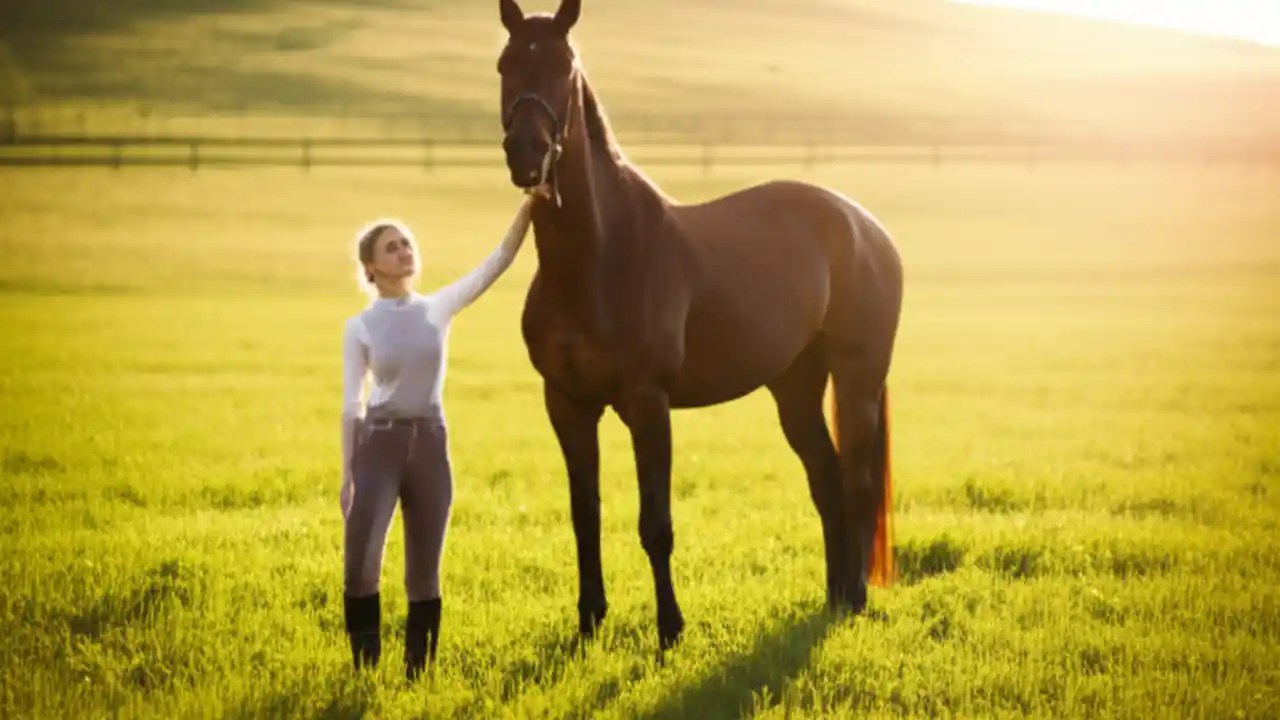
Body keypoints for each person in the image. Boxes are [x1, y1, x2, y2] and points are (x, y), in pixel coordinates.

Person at [340, 197, 533, 679]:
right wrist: (347, 472)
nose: (404, 251)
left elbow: (498, 261)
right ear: (371, 267)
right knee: (361, 569)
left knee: (423, 575)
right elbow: (352, 402)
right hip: (378, 447)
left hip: (430, 446)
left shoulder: (438, 308)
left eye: (407, 243)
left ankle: (416, 677)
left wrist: (530, 206)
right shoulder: (360, 327)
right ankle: (365, 674)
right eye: (392, 247)